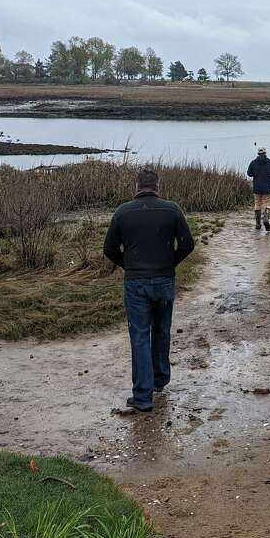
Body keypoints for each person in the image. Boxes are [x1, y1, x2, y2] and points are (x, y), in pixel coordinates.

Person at [103, 168, 195, 412]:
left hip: (136, 282)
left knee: (140, 335)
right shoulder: (172, 209)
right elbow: (188, 244)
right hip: (164, 279)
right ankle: (160, 379)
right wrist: (170, 263)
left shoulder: (123, 212)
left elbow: (109, 249)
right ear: (157, 185)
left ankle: (143, 396)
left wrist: (129, 266)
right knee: (162, 330)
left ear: (137, 186)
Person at [247, 146, 270, 231]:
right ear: (265, 153)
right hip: (267, 187)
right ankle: (266, 219)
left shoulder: (253, 162)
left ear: (258, 153)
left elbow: (249, 173)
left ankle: (258, 224)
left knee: (257, 204)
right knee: (267, 203)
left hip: (257, 187)